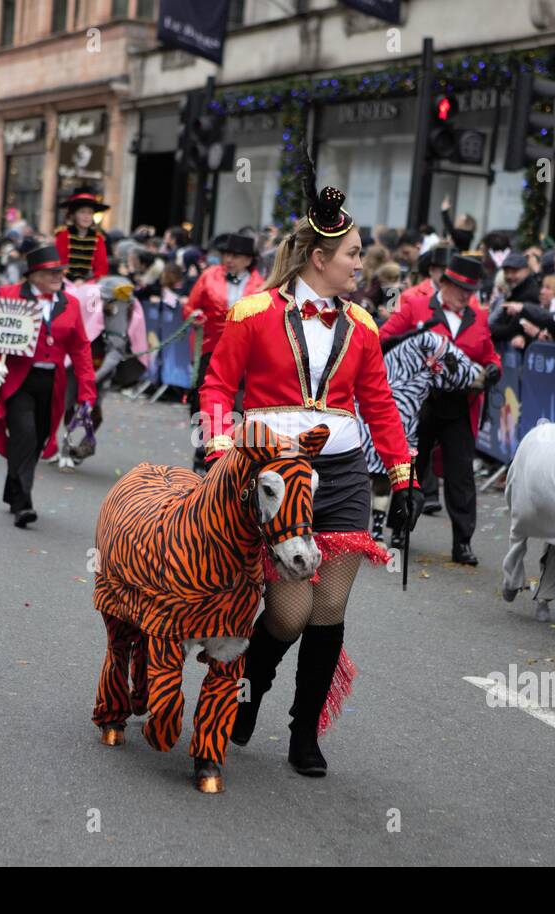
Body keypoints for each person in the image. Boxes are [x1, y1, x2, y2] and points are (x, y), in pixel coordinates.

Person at [201, 172, 422, 777]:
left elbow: (379, 406)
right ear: (320, 258)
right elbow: (218, 385)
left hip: (346, 475)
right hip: (278, 475)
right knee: (288, 615)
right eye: (353, 255)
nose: (361, 265)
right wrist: (221, 448)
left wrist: (402, 476)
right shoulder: (250, 314)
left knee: (328, 610)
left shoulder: (365, 326)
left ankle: (304, 735)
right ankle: (248, 691)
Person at [379, 254, 501, 565]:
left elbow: (490, 355)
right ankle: (401, 530)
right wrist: (411, 338)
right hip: (421, 400)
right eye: (460, 287)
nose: (465, 295)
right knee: (410, 466)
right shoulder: (416, 306)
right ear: (444, 282)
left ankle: (463, 542)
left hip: (459, 402)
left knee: (461, 474)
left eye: (470, 290)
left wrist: (493, 368)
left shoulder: (479, 316)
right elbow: (384, 339)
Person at [0, 243, 97, 526]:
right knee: (25, 434)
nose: (59, 277)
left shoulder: (71, 303)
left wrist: (86, 389)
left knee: (39, 437)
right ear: (33, 275)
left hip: (51, 383)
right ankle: (23, 504)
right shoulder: (8, 296)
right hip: (18, 379)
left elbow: (80, 348)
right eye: (52, 272)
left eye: (61, 272)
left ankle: (12, 487)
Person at [183, 232, 265, 472]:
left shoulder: (262, 285)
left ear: (249, 260)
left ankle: (231, 457)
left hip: (247, 355)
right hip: (211, 349)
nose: (230, 259)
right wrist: (193, 315)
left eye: (236, 256)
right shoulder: (209, 276)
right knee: (205, 400)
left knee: (239, 405)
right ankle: (202, 453)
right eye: (227, 254)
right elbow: (190, 306)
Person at [54, 187, 109, 282]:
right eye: (82, 212)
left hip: (90, 283)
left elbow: (101, 268)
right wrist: (73, 279)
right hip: (65, 282)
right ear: (73, 215)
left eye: (90, 213)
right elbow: (59, 263)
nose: (86, 216)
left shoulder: (98, 238)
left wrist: (88, 281)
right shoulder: (63, 236)